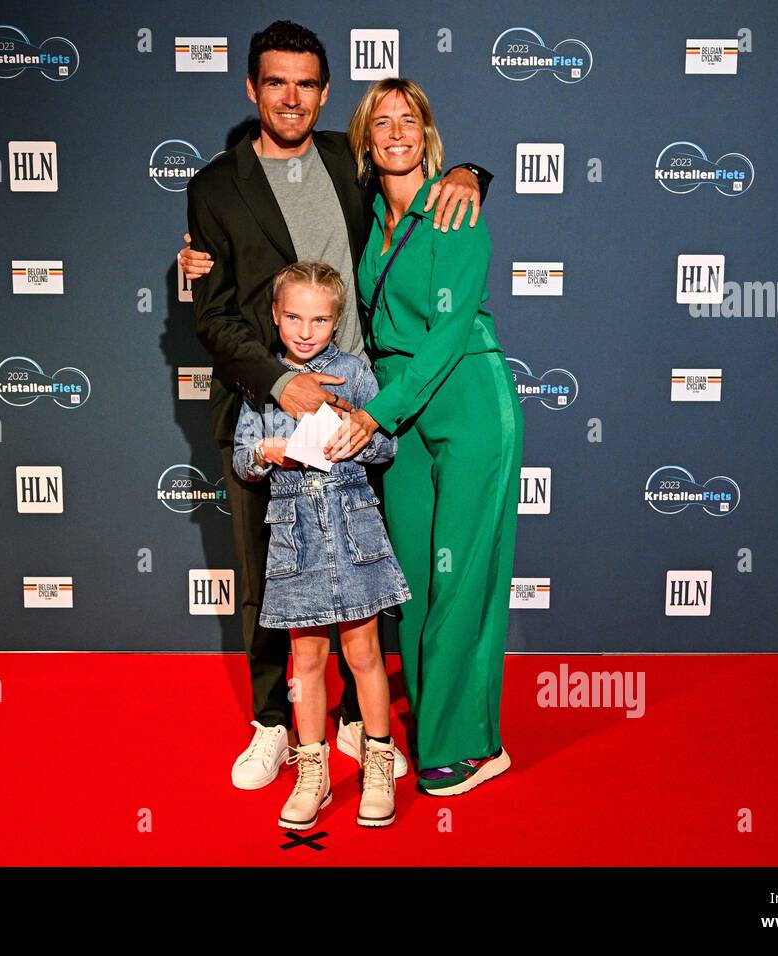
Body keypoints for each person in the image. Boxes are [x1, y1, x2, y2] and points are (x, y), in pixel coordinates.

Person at [183, 20, 492, 791]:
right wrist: (276, 380)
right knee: (269, 577)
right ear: (253, 88)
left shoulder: (340, 159)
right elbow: (212, 313)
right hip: (270, 402)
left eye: (307, 84)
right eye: (276, 82)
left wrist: (473, 174)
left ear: (323, 94)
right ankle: (272, 724)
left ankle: (358, 719)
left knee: (368, 573)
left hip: (361, 400)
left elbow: (408, 178)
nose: (291, 97)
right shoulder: (214, 185)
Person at [325, 77, 525, 796]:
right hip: (401, 414)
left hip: (466, 397)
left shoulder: (456, 204)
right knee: (410, 582)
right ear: (366, 140)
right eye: (383, 122)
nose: (397, 131)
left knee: (463, 577)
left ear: (427, 133)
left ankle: (468, 743)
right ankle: (428, 726)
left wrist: (375, 414)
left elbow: (444, 336)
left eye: (409, 119)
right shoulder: (371, 218)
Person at [233, 261, 409, 829]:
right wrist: (268, 451)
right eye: (292, 317)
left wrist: (356, 428)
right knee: (305, 663)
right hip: (296, 542)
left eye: (319, 319)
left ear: (336, 321)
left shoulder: (355, 374)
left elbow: (387, 450)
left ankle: (377, 763)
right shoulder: (266, 382)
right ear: (275, 316)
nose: (305, 331)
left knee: (364, 656)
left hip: (353, 528)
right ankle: (314, 774)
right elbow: (241, 457)